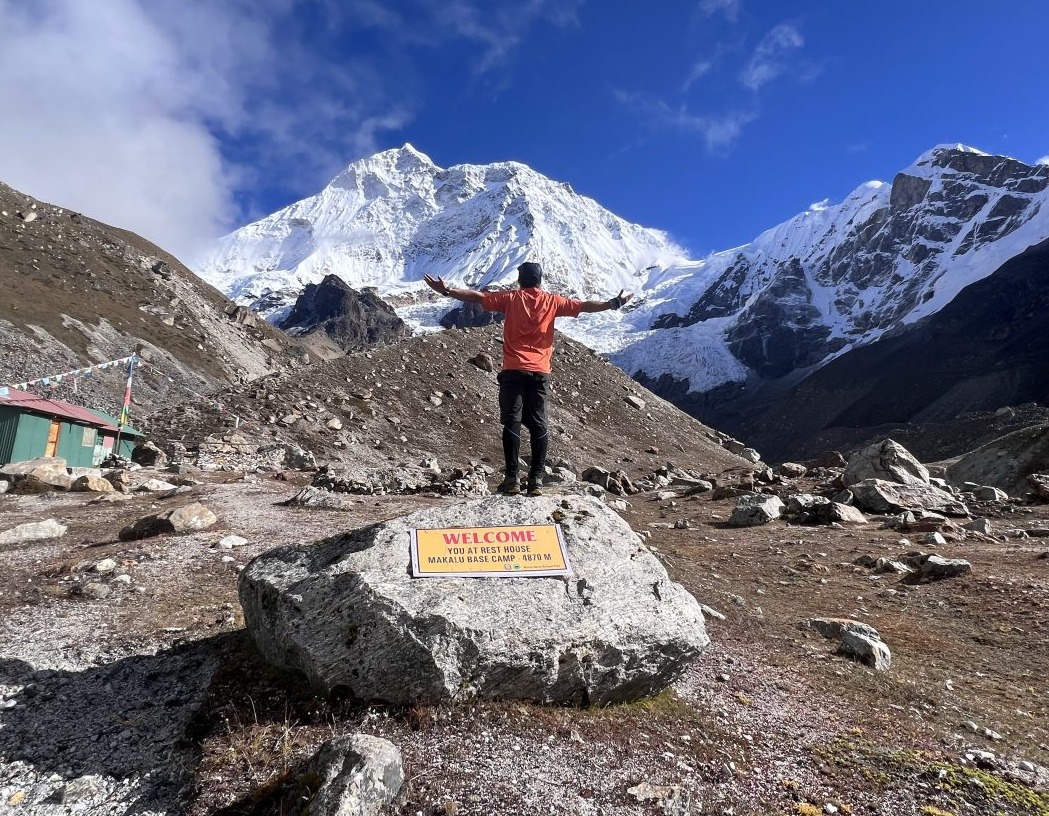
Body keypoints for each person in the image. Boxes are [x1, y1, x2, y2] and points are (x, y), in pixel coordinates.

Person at [424, 261, 633, 496]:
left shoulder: (511, 298)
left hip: (513, 370)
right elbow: (584, 306)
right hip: (540, 372)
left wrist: (446, 290)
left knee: (512, 421)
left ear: (520, 280)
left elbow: (477, 297)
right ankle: (536, 481)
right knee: (539, 425)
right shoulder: (553, 301)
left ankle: (512, 479)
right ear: (540, 280)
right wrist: (613, 303)